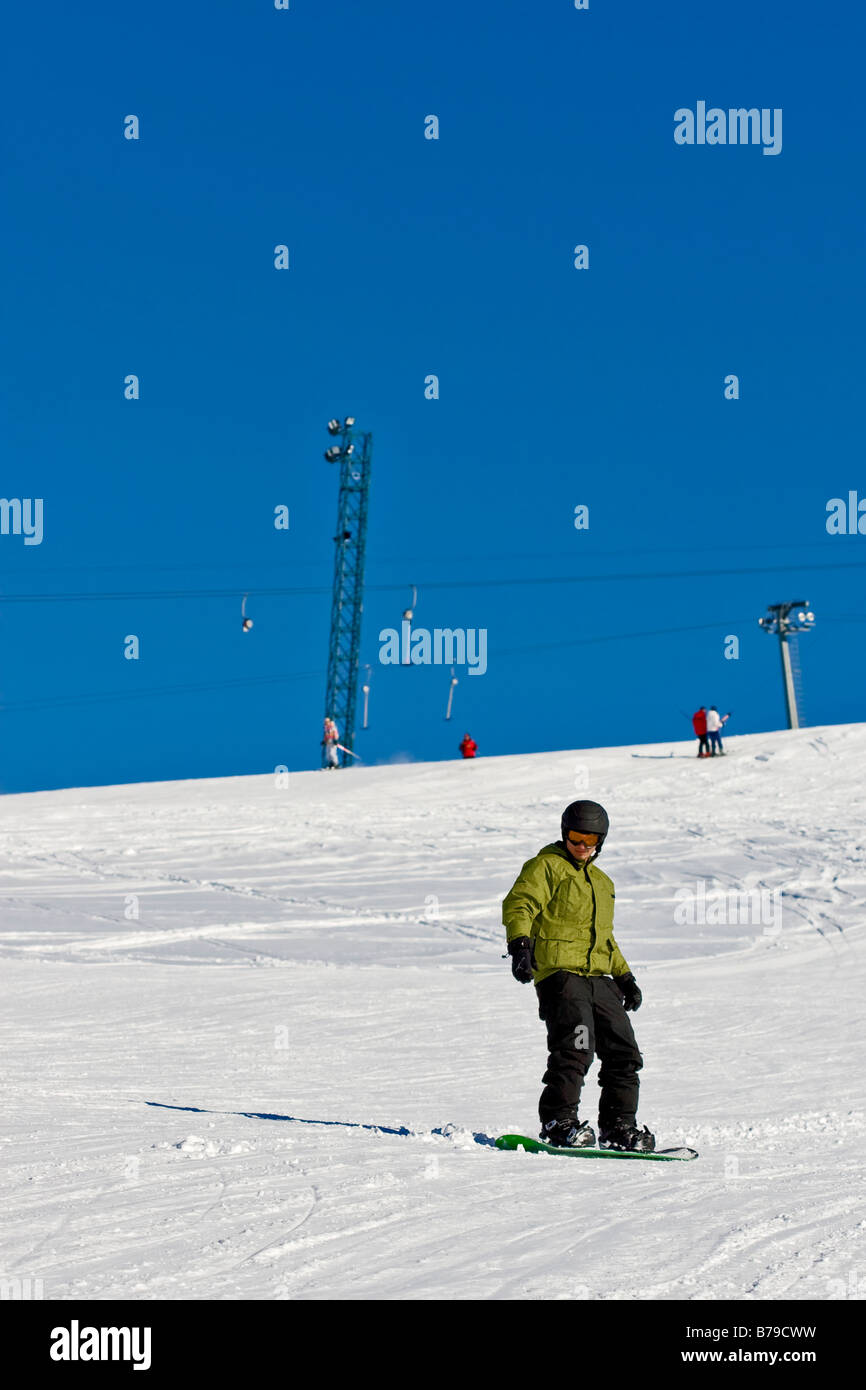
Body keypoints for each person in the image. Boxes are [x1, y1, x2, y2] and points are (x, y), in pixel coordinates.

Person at [502, 800, 654, 1152]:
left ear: (601, 841)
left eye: (589, 839)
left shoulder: (602, 882)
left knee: (624, 1051)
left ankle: (619, 1127)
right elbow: (520, 903)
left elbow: (604, 937)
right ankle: (559, 1122)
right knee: (576, 1045)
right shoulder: (547, 866)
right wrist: (520, 946)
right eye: (575, 838)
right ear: (563, 833)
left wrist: (625, 976)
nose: (582, 846)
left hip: (599, 977)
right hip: (561, 974)